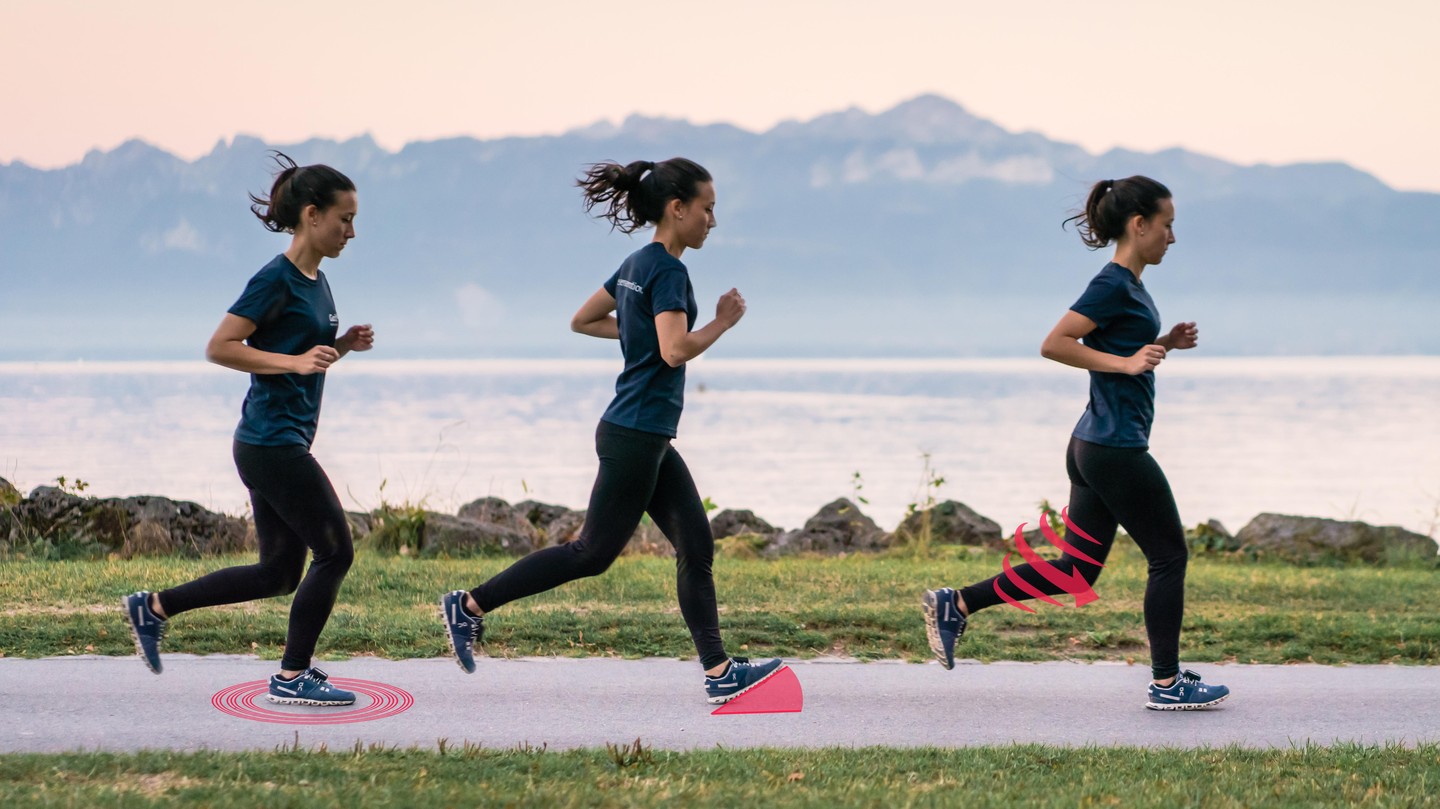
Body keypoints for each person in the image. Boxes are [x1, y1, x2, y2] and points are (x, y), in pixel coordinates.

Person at [439, 157, 782, 704]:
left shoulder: (635, 262)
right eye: (707, 208)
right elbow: (674, 350)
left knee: (696, 544)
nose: (713, 221)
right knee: (590, 554)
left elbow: (584, 319)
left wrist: (641, 331)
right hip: (636, 432)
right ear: (677, 208)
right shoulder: (668, 270)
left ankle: (719, 672)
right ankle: (470, 605)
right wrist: (722, 320)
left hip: (641, 431)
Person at [922, 176, 1230, 711]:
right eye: (1167, 225)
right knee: (1169, 556)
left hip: (1093, 442)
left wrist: (1161, 345)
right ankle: (1166, 683)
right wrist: (1130, 360)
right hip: (1114, 449)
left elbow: (1117, 352)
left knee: (1076, 571)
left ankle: (958, 602)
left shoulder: (1129, 286)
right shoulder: (1112, 283)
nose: (1172, 238)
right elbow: (1055, 343)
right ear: (1140, 225)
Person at [123, 152, 373, 706]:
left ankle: (154, 607)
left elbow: (304, 355)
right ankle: (290, 677)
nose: (351, 232)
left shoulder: (319, 280)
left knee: (278, 573)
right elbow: (220, 347)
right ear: (312, 215)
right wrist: (294, 362)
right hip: (270, 443)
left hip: (278, 440)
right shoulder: (274, 279)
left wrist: (344, 347)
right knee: (336, 553)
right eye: (344, 219)